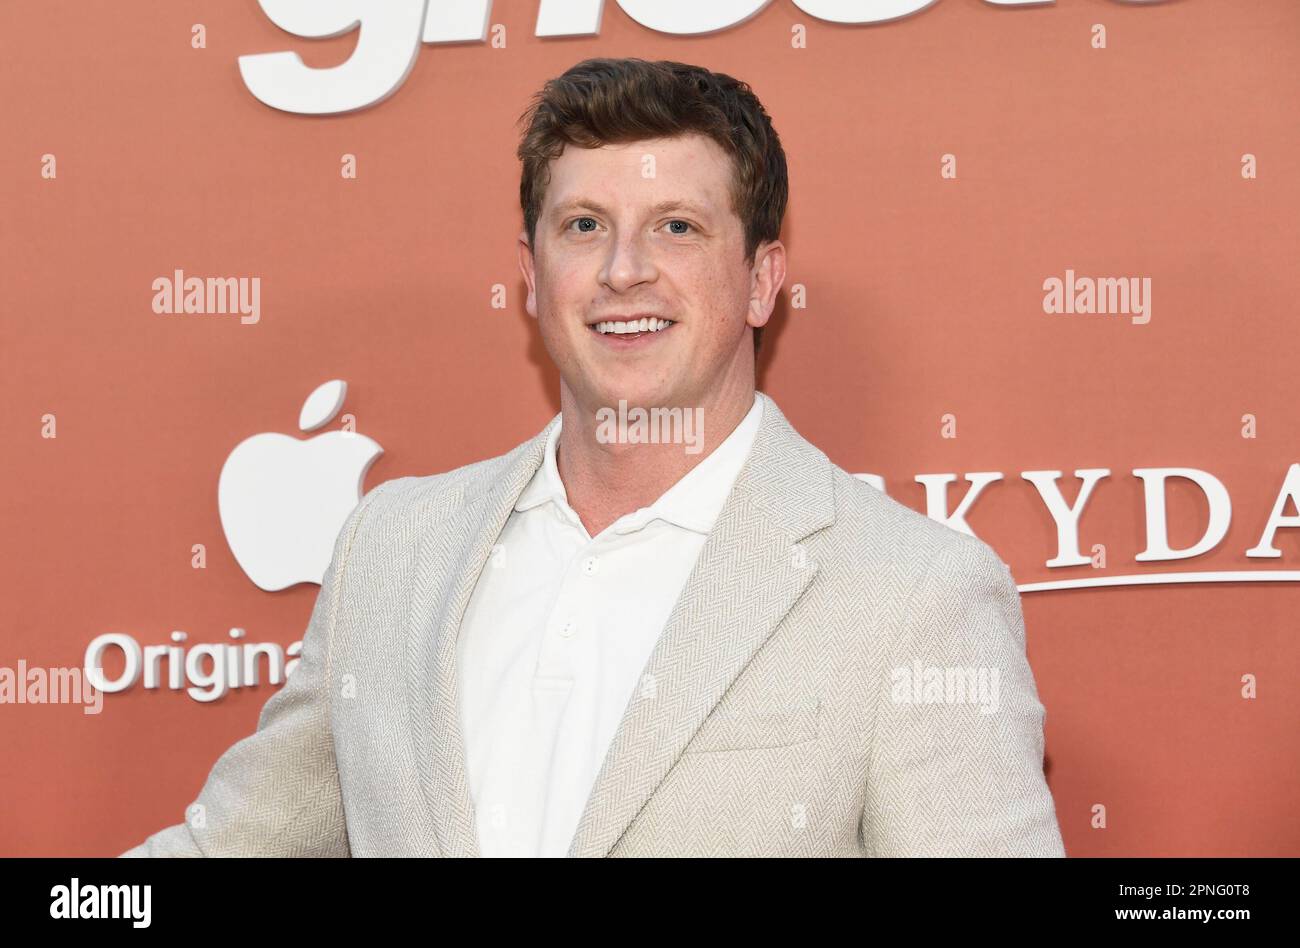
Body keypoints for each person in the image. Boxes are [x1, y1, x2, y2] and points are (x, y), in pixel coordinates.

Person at [122, 57, 1064, 857]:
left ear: (762, 282)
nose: (623, 271)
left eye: (677, 227)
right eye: (584, 227)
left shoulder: (912, 594)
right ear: (531, 279)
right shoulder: (391, 552)